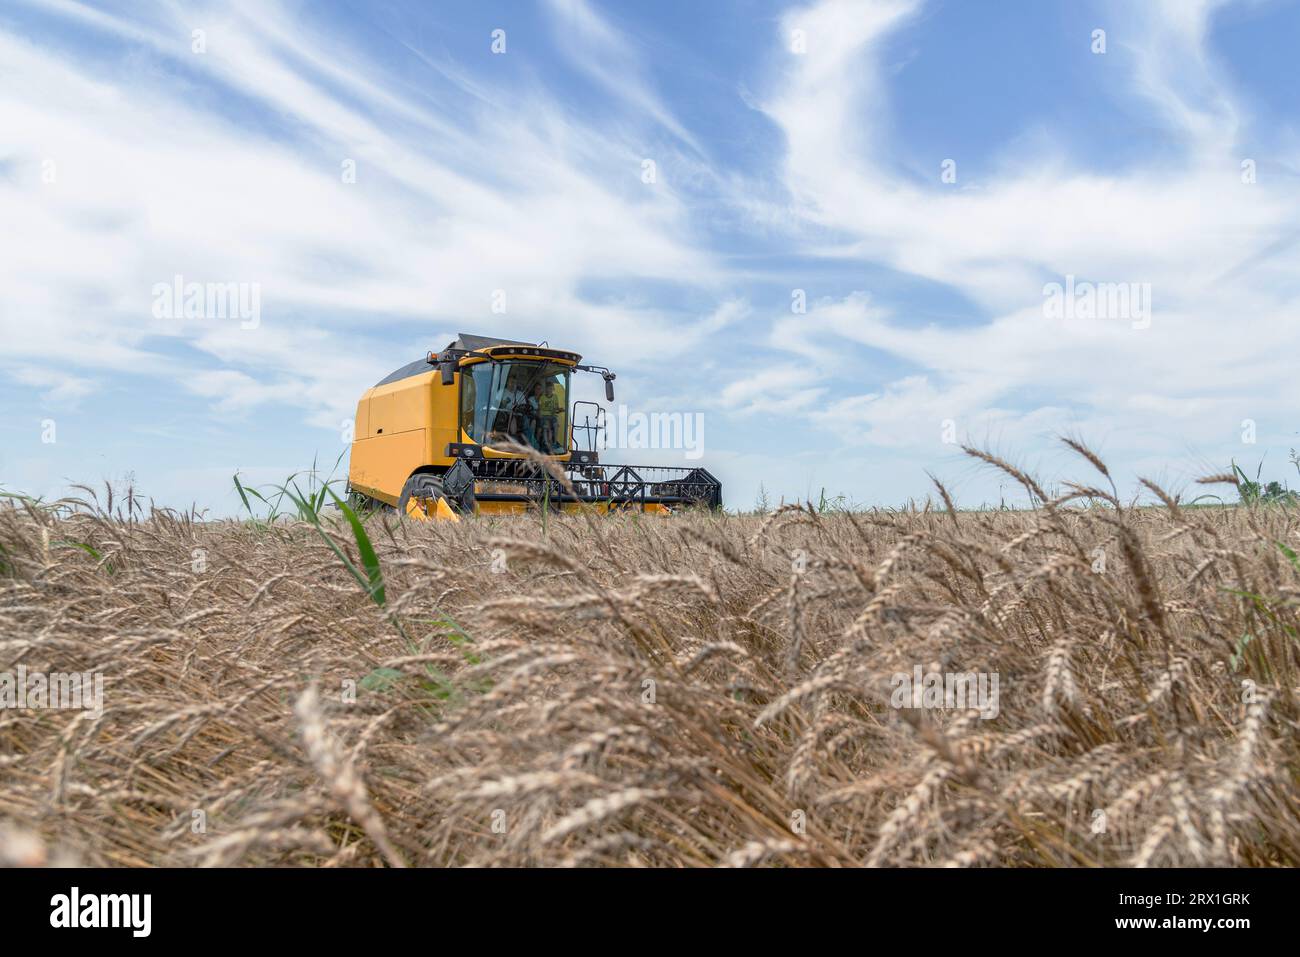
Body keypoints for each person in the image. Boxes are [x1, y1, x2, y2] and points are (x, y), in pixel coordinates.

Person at [537, 378, 565, 452]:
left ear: (553, 389)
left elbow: (556, 408)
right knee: (546, 426)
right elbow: (539, 408)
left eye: (551, 388)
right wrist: (540, 415)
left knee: (556, 425)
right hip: (544, 415)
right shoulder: (542, 397)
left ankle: (554, 442)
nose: (550, 390)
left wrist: (560, 409)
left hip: (552, 416)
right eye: (548, 388)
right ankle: (545, 442)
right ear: (546, 389)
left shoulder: (555, 397)